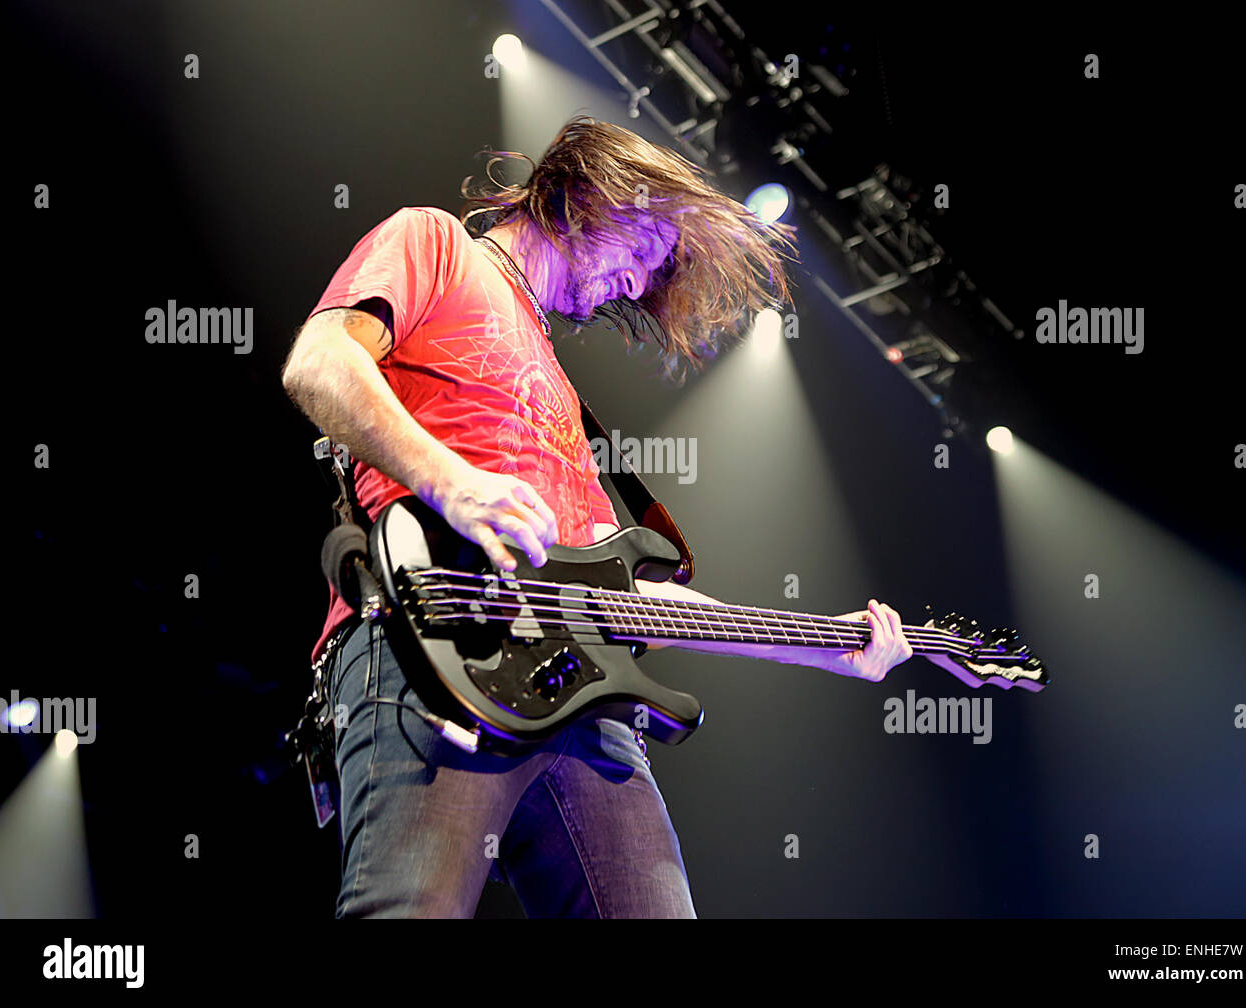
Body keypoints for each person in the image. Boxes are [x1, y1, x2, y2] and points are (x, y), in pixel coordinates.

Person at [281, 116, 914, 918]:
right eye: (642, 253)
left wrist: (828, 647)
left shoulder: (559, 388)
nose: (638, 284)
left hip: (580, 702)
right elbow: (319, 362)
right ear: (591, 197)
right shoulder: (436, 245)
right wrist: (452, 483)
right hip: (428, 644)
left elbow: (619, 595)